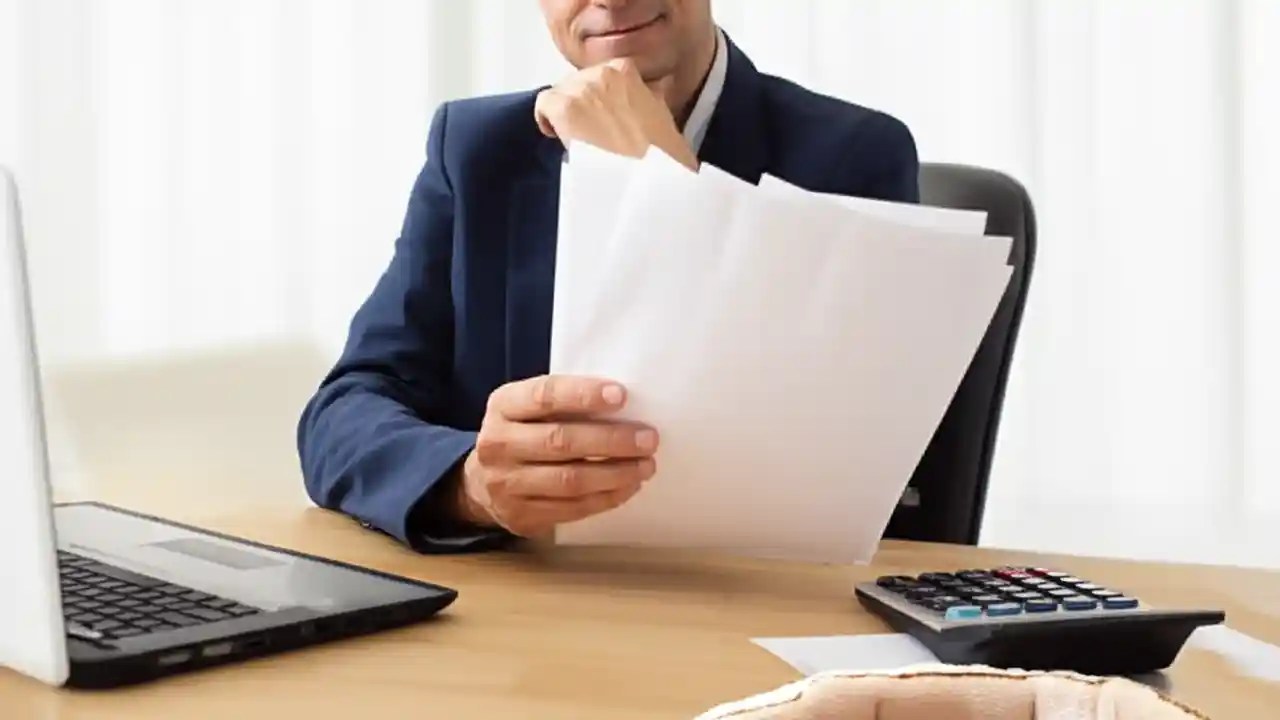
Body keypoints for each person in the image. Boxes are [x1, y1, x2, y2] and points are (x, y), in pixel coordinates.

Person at [297, 0, 920, 553]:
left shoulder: (856, 155)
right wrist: (471, 485)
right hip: (526, 607)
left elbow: (837, 457)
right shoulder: (475, 147)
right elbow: (342, 413)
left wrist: (664, 187)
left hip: (756, 605)